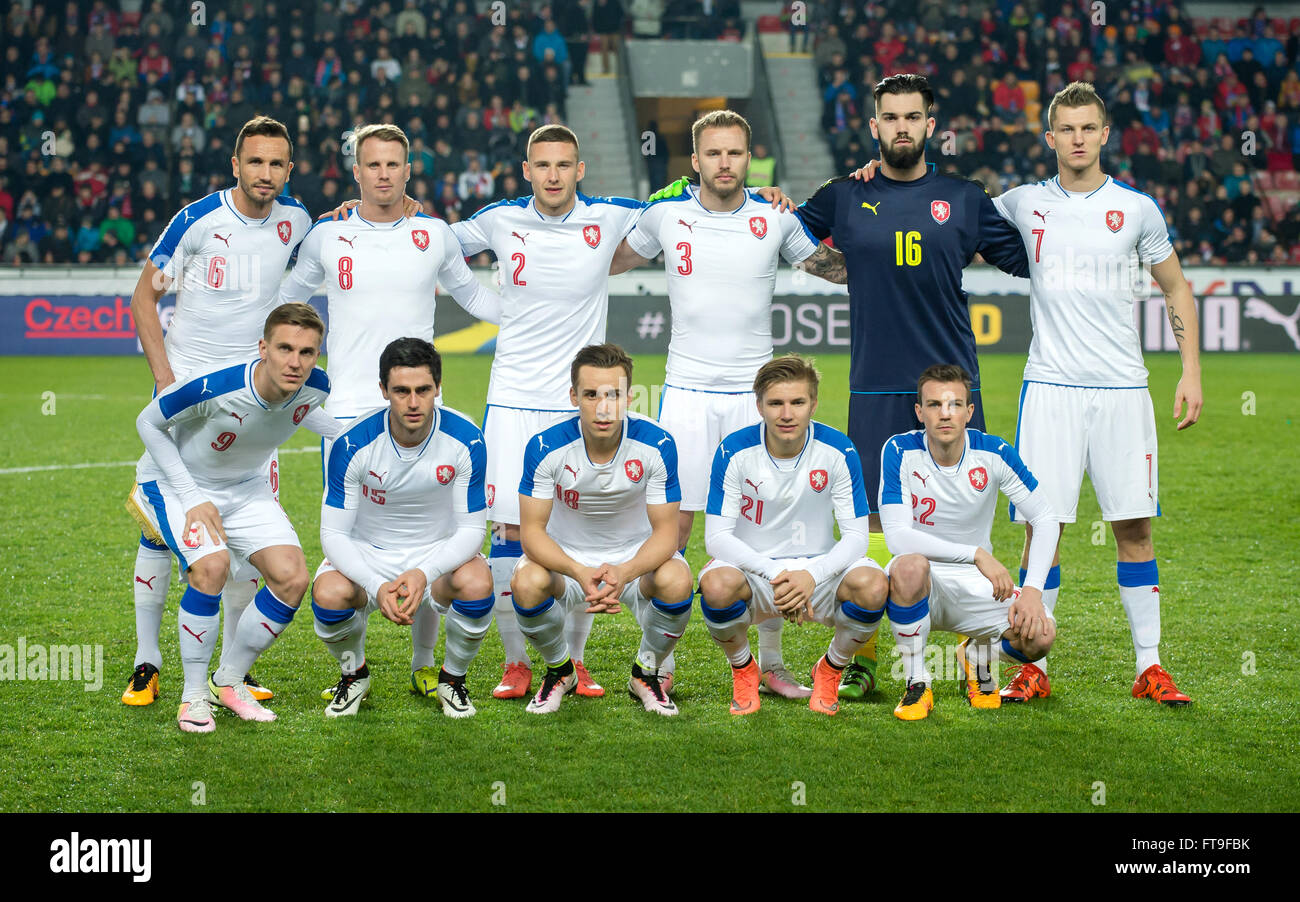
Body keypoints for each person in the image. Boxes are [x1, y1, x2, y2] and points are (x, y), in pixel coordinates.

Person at [450, 125, 783, 700]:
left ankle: (574, 663)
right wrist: (491, 305)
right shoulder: (498, 217)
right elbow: (431, 243)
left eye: (564, 165)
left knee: (575, 524)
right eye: (542, 165)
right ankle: (516, 663)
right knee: (508, 532)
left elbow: (680, 204)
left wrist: (768, 198)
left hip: (581, 395)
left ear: (580, 171)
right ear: (526, 170)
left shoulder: (611, 216)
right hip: (510, 398)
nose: (553, 175)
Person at [796, 73, 1030, 702]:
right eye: (889, 117)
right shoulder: (844, 195)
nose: (901, 126)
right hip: (875, 382)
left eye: (913, 117)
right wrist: (848, 264)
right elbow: (790, 241)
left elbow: (1029, 254)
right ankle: (866, 652)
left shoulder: (965, 197)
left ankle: (970, 629)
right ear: (874, 127)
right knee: (873, 520)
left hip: (951, 378)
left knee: (964, 506)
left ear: (932, 125)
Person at [610, 109, 845, 699]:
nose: (724, 164)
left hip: (752, 398)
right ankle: (654, 662)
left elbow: (836, 268)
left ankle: (767, 665)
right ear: (695, 161)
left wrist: (893, 229)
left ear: (750, 158)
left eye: (735, 153)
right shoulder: (666, 214)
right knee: (671, 532)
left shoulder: (773, 218)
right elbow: (606, 257)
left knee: (762, 530)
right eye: (712, 154)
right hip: (686, 395)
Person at [990, 82, 1201, 706]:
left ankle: (1149, 666)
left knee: (1133, 526)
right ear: (1049, 137)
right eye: (1066, 129)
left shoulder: (1137, 209)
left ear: (1105, 135)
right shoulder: (1024, 202)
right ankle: (1033, 666)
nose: (1078, 139)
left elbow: (1178, 289)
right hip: (1050, 388)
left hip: (1123, 390)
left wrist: (1190, 371)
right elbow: (949, 210)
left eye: (1089, 128)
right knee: (1040, 527)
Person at [278, 123, 501, 698]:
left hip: (421, 409)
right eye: (372, 165)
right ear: (357, 172)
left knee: (435, 538)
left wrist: (538, 315)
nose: (383, 175)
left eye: (393, 165)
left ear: (408, 170)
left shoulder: (435, 233)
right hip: (347, 416)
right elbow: (289, 303)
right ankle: (352, 671)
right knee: (355, 539)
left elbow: (475, 298)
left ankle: (425, 664)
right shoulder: (328, 238)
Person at [122, 116, 312, 708]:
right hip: (187, 405)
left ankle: (232, 664)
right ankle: (147, 660)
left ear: (287, 169)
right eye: (255, 161)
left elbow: (330, 243)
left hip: (256, 404)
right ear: (236, 165)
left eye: (276, 163)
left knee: (246, 530)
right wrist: (164, 381)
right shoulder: (197, 220)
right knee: (163, 530)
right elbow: (143, 297)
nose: (265, 173)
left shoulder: (297, 221)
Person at [127, 304, 340, 733]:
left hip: (245, 489)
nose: (295, 361)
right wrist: (191, 498)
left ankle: (229, 679)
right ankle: (192, 697)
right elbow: (148, 422)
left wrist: (350, 434)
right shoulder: (216, 386)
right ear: (263, 348)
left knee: (292, 577)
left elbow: (300, 411)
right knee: (212, 568)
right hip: (176, 484)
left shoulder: (317, 386)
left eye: (306, 351)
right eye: (284, 348)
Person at [312, 338, 494, 718]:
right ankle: (354, 674)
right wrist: (375, 584)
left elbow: (473, 529)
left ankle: (452, 679)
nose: (413, 403)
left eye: (423, 390)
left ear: (438, 388)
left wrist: (423, 573)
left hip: (439, 551)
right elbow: (333, 535)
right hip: (370, 552)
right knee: (328, 593)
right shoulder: (351, 443)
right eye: (401, 391)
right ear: (383, 391)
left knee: (478, 584)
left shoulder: (467, 438)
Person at [698, 354, 887, 716]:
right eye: (776, 403)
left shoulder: (839, 449)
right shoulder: (733, 450)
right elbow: (717, 538)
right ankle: (744, 669)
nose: (787, 414)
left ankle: (831, 669)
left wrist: (810, 575)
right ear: (759, 406)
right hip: (754, 572)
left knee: (874, 585)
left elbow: (856, 537)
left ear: (813, 403)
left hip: (817, 571)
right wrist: (777, 576)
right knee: (717, 586)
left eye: (797, 402)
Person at [510, 343, 692, 715]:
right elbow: (531, 534)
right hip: (569, 559)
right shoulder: (545, 447)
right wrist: (579, 572)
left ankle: (646, 672)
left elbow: (665, 535)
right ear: (574, 395)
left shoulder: (657, 444)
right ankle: (560, 670)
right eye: (591, 394)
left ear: (629, 396)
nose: (603, 407)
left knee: (678, 578)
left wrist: (624, 571)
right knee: (526, 582)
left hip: (634, 558)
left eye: (613, 394)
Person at [878, 364, 1058, 721]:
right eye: (934, 405)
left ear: (969, 411)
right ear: (919, 412)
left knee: (1041, 636)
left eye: (955, 404)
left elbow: (1046, 518)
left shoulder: (994, 452)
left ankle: (978, 657)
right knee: (909, 564)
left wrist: (1034, 591)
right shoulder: (898, 450)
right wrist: (975, 554)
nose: (945, 414)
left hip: (979, 588)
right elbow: (898, 537)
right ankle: (917, 682)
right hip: (922, 584)